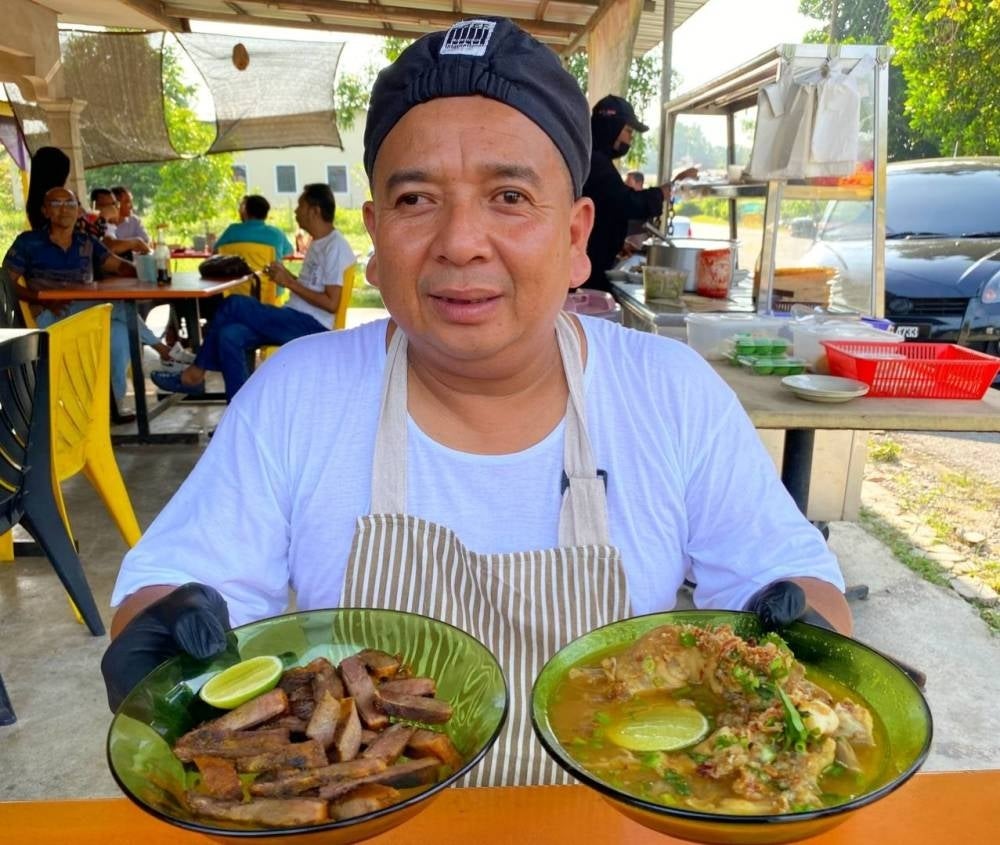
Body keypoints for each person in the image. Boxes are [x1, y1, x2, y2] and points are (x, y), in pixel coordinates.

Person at [102, 18, 850, 786]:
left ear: (574, 235)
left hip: (615, 821)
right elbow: (180, 586)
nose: (461, 241)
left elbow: (790, 575)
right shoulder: (298, 393)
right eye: (418, 198)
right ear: (377, 233)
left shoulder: (670, 392)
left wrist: (808, 632)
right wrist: (163, 634)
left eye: (509, 195)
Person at [150, 183, 354, 402]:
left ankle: (194, 373)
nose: (295, 212)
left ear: (315, 210)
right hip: (294, 317)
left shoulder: (335, 246)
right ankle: (239, 416)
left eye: (300, 206)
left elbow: (332, 303)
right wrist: (287, 277)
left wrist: (290, 283)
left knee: (235, 304)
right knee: (230, 335)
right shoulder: (318, 244)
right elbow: (313, 286)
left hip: (313, 325)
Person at [3, 187, 174, 421]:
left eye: (71, 204)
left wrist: (145, 273)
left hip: (86, 312)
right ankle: (165, 351)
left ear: (79, 211)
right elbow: (5, 282)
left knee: (120, 333)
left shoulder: (85, 242)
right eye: (56, 204)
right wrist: (39, 297)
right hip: (50, 315)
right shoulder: (29, 242)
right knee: (118, 307)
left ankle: (113, 404)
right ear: (45, 211)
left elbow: (117, 265)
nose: (65, 210)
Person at [581, 94, 698, 292]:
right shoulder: (596, 163)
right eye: (627, 130)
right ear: (612, 127)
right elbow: (628, 203)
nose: (630, 138)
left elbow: (608, 210)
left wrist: (619, 243)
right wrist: (665, 191)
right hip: (587, 275)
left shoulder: (594, 160)